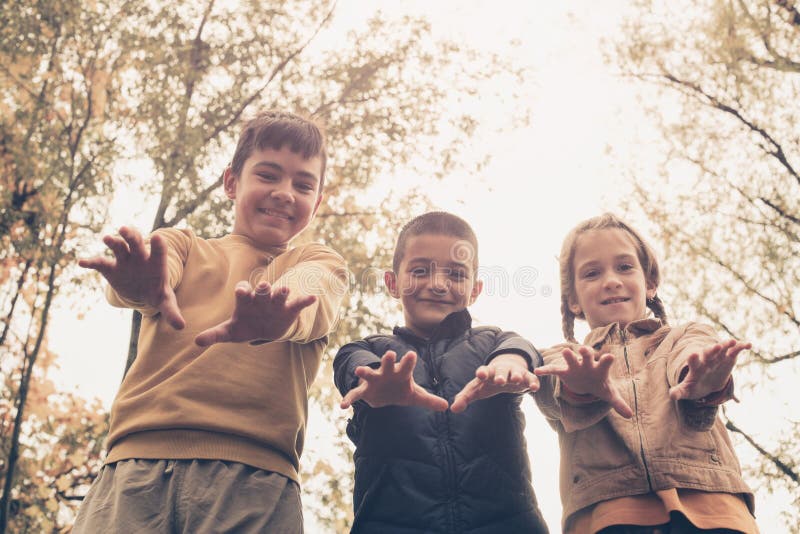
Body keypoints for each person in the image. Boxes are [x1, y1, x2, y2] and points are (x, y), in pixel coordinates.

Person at [73, 110, 348, 533]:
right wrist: (141, 287)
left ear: (318, 202)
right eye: (268, 175)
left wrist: (277, 313)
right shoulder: (184, 245)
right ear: (231, 182)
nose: (284, 193)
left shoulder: (317, 261)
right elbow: (150, 274)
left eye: (303, 184)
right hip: (135, 468)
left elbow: (311, 294)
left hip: (254, 479)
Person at [533, 212, 757, 534]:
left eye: (624, 267)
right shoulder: (565, 357)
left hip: (711, 507)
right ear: (573, 302)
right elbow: (549, 384)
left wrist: (700, 377)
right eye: (592, 273)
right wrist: (579, 386)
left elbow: (693, 352)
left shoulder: (682, 336)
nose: (611, 280)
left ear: (649, 283)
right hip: (609, 514)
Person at [333, 211, 550, 534]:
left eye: (456, 274)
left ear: (475, 290)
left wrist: (510, 363)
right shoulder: (372, 350)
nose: (437, 284)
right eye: (420, 271)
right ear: (392, 283)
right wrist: (377, 379)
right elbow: (351, 364)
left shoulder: (493, 342)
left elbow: (518, 347)